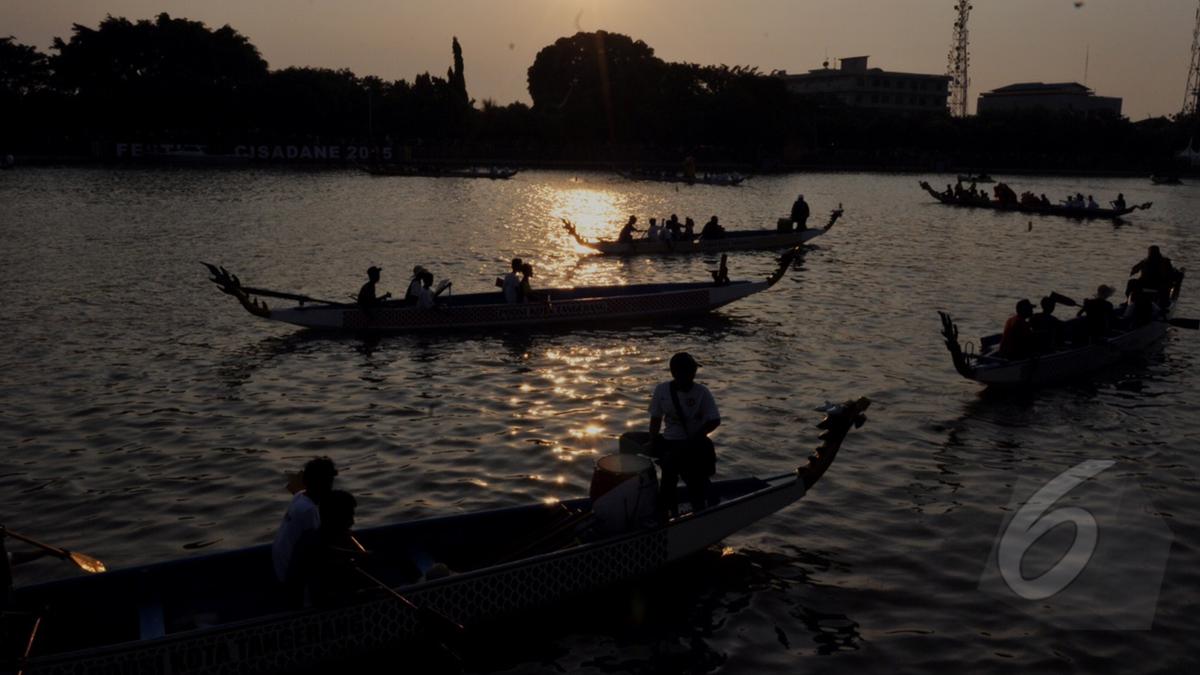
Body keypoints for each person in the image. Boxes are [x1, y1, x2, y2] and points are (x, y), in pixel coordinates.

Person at [649, 352, 720, 517]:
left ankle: (700, 514)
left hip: (692, 445)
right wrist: (652, 441)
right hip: (670, 442)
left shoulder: (702, 392)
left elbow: (714, 420)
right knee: (668, 483)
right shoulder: (662, 390)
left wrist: (694, 439)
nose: (694, 375)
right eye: (690, 371)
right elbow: (655, 418)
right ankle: (666, 517)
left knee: (695, 482)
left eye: (694, 371)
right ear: (676, 374)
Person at [287, 490, 366, 608]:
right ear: (333, 518)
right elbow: (325, 597)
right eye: (348, 516)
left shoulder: (319, 535)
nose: (352, 522)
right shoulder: (319, 550)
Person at [272, 457, 338, 585]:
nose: (331, 487)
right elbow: (313, 551)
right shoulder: (308, 511)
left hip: (280, 566)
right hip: (291, 575)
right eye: (329, 482)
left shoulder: (299, 496)